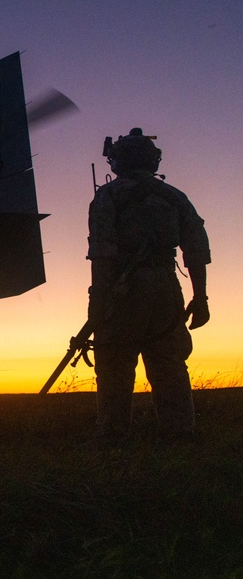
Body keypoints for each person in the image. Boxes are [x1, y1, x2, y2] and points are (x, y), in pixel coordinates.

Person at [87, 128, 210, 443]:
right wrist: (200, 298)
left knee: (114, 363)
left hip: (123, 292)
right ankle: (179, 434)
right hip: (167, 289)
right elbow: (195, 249)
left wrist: (98, 303)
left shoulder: (109, 196)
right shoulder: (174, 197)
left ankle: (112, 436)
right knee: (169, 363)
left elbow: (102, 254)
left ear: (118, 162)